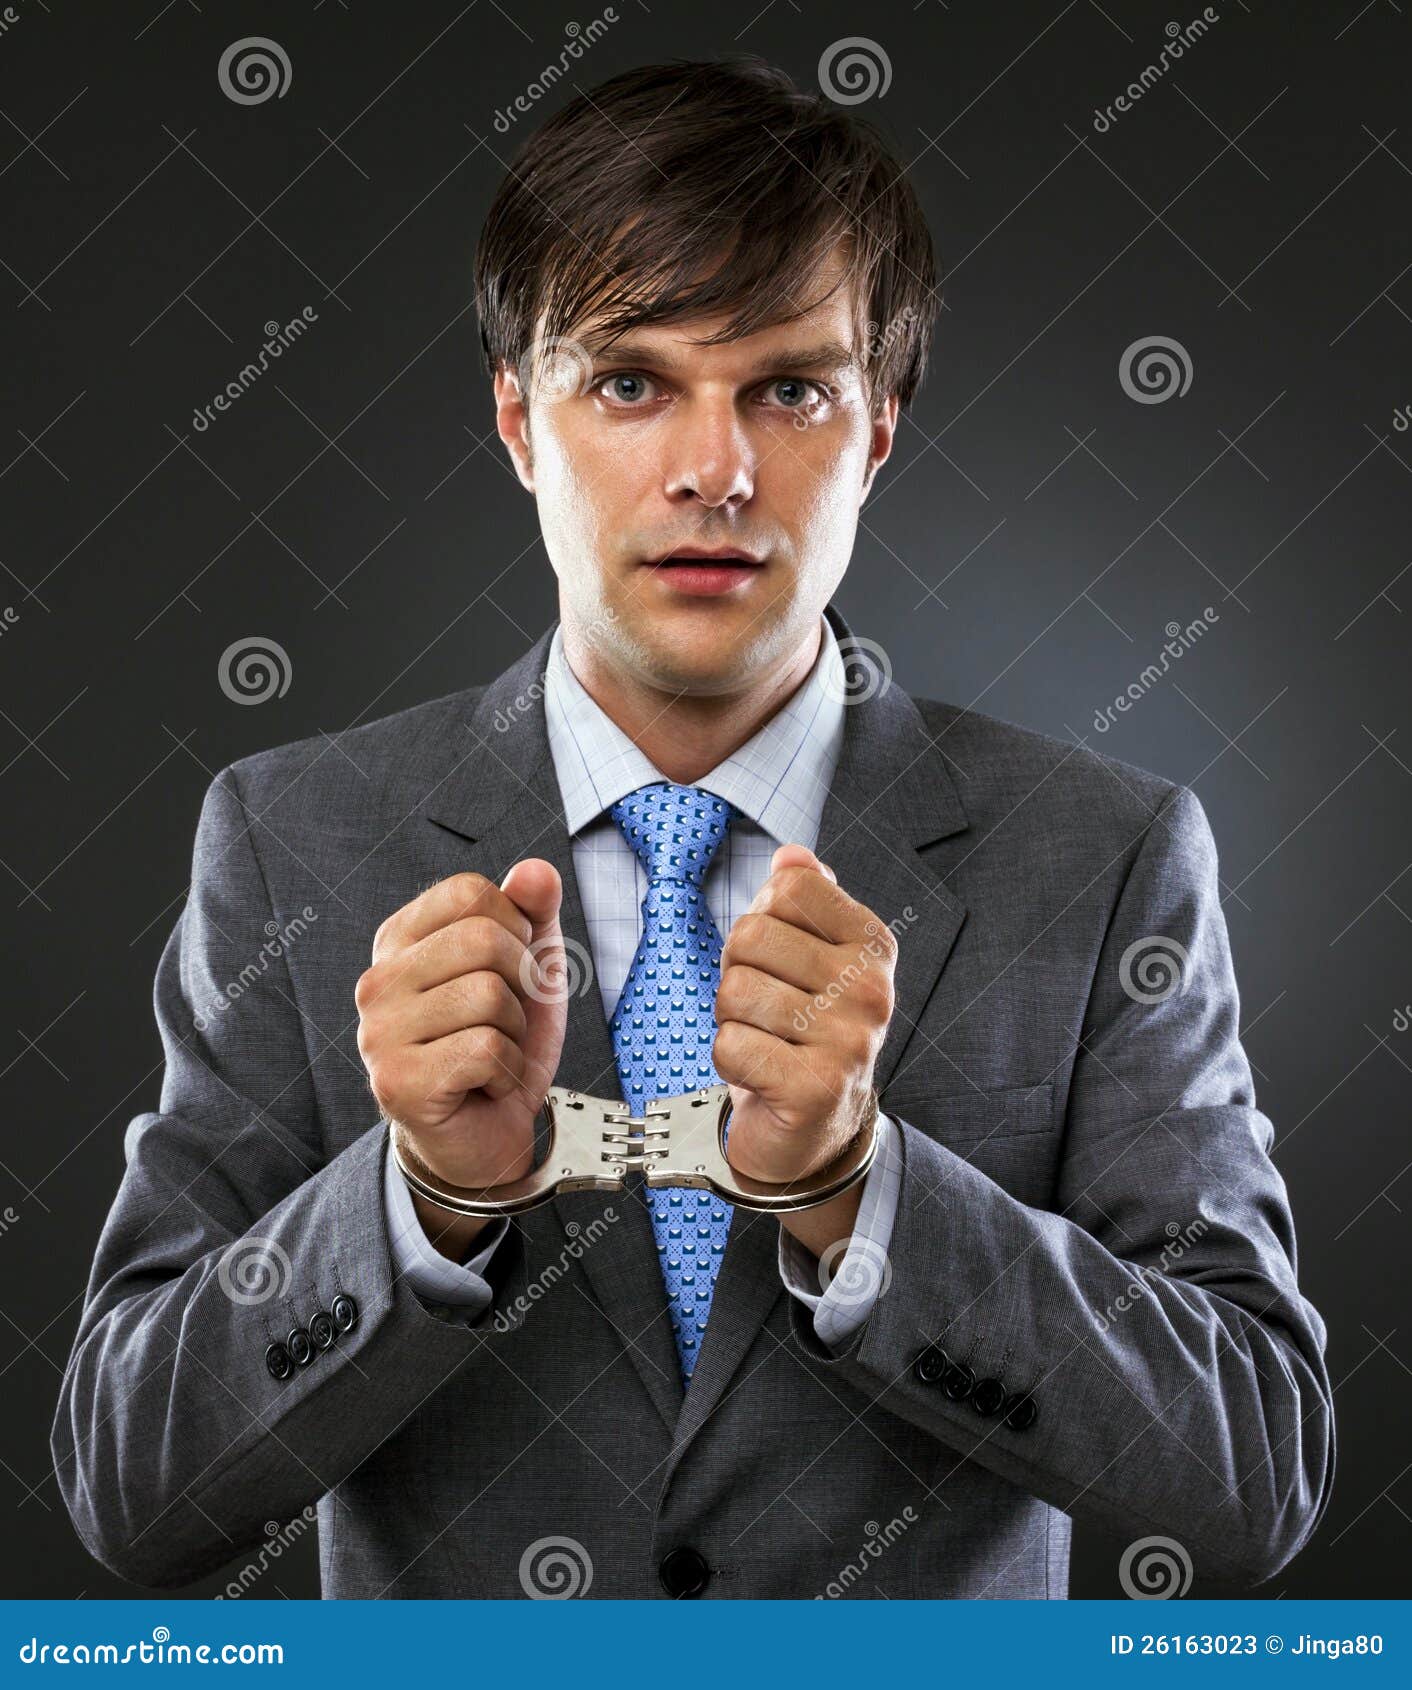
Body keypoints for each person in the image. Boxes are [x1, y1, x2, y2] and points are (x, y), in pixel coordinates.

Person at [52, 55, 1333, 1600]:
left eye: (790, 388)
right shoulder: (289, 840)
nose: (713, 469)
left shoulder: (1107, 855)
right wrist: (419, 1201)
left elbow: (1253, 1469)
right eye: (630, 382)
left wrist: (865, 1188)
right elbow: (132, 1487)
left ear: (879, 427)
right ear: (519, 420)